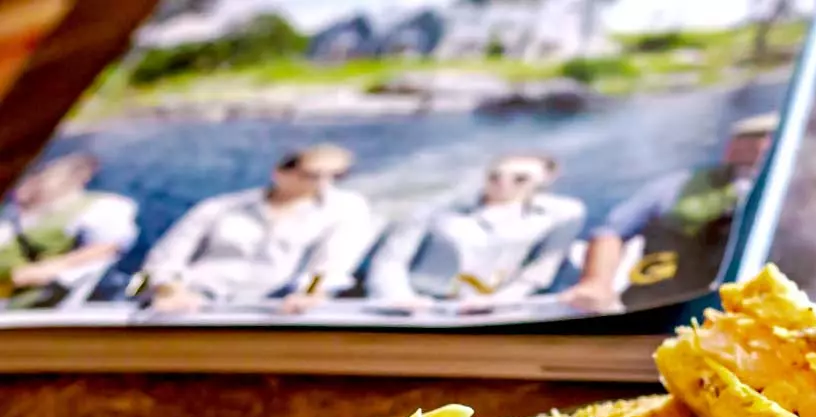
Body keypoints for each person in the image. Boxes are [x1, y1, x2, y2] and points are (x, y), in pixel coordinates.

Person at [561, 112, 777, 314]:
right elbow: (611, 232)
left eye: (771, 138)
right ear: (734, 146)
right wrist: (596, 283)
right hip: (677, 298)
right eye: (757, 138)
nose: (764, 145)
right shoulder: (677, 186)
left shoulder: (797, 192)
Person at [142, 144, 375, 315]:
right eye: (311, 176)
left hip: (275, 305)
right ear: (280, 173)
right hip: (196, 298)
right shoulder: (219, 207)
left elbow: (330, 265)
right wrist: (169, 290)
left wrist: (310, 294)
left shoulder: (345, 210)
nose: (324, 184)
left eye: (336, 176)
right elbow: (164, 258)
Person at [366, 153, 585, 311]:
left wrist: (502, 301)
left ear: (542, 182)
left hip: (498, 304)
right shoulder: (436, 208)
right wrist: (399, 297)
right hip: (425, 301)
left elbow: (541, 270)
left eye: (519, 179)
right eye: (495, 176)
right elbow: (391, 260)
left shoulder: (559, 215)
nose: (503, 183)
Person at [0, 151, 138, 309]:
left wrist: (50, 268)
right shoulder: (11, 211)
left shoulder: (100, 207)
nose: (33, 181)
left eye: (41, 173)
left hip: (34, 303)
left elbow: (108, 247)